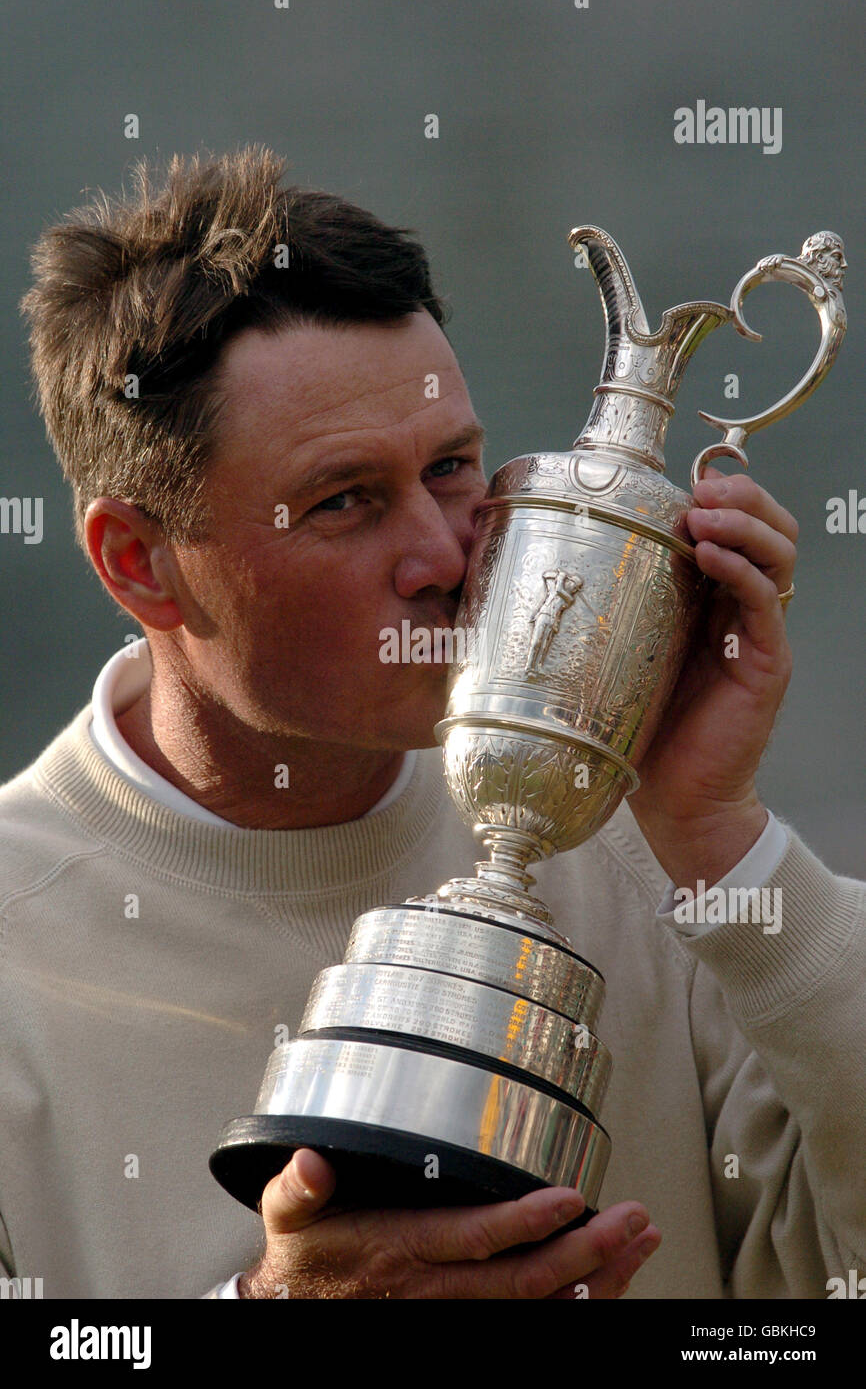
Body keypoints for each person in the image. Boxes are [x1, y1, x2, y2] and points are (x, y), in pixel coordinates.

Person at [1, 146, 863, 1300]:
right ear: (139, 563)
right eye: (343, 501)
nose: (447, 552)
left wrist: (722, 837)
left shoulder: (648, 844)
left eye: (452, 467)